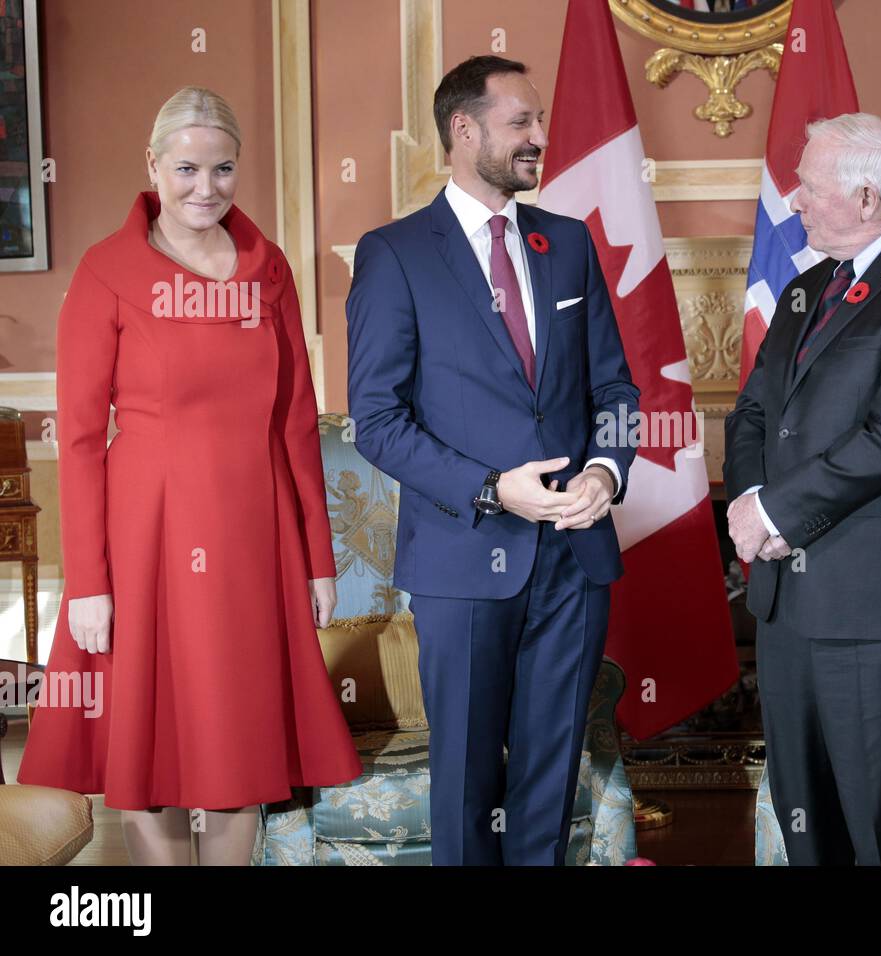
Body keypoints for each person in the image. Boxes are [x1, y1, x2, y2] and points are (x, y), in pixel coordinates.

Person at [18, 87, 361, 864]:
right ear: (153, 166)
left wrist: (316, 558)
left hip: (254, 534)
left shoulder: (269, 268)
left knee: (239, 751)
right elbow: (75, 440)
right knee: (152, 757)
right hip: (146, 539)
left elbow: (298, 423)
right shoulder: (106, 273)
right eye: (186, 169)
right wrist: (91, 583)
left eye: (223, 169)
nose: (205, 188)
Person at [344, 55, 640, 866]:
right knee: (469, 785)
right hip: (464, 557)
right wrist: (490, 489)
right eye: (521, 123)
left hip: (574, 561)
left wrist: (604, 473)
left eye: (538, 121)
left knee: (548, 786)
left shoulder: (568, 244)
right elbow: (376, 421)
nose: (540, 138)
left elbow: (616, 386)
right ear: (462, 129)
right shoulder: (395, 254)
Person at [724, 113, 881, 865]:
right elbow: (751, 413)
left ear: (867, 197)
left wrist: (776, 510)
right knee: (807, 824)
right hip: (787, 601)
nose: (795, 202)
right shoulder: (808, 288)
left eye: (808, 187)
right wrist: (747, 506)